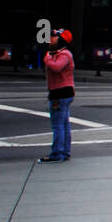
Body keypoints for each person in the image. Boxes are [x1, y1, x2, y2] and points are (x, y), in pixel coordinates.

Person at [39, 28, 75, 163]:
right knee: (63, 124)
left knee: (58, 125)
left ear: (60, 40)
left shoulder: (64, 54)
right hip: (61, 92)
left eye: (53, 37)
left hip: (60, 93)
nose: (50, 39)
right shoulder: (59, 53)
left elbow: (57, 67)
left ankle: (57, 153)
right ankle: (64, 152)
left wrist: (47, 59)